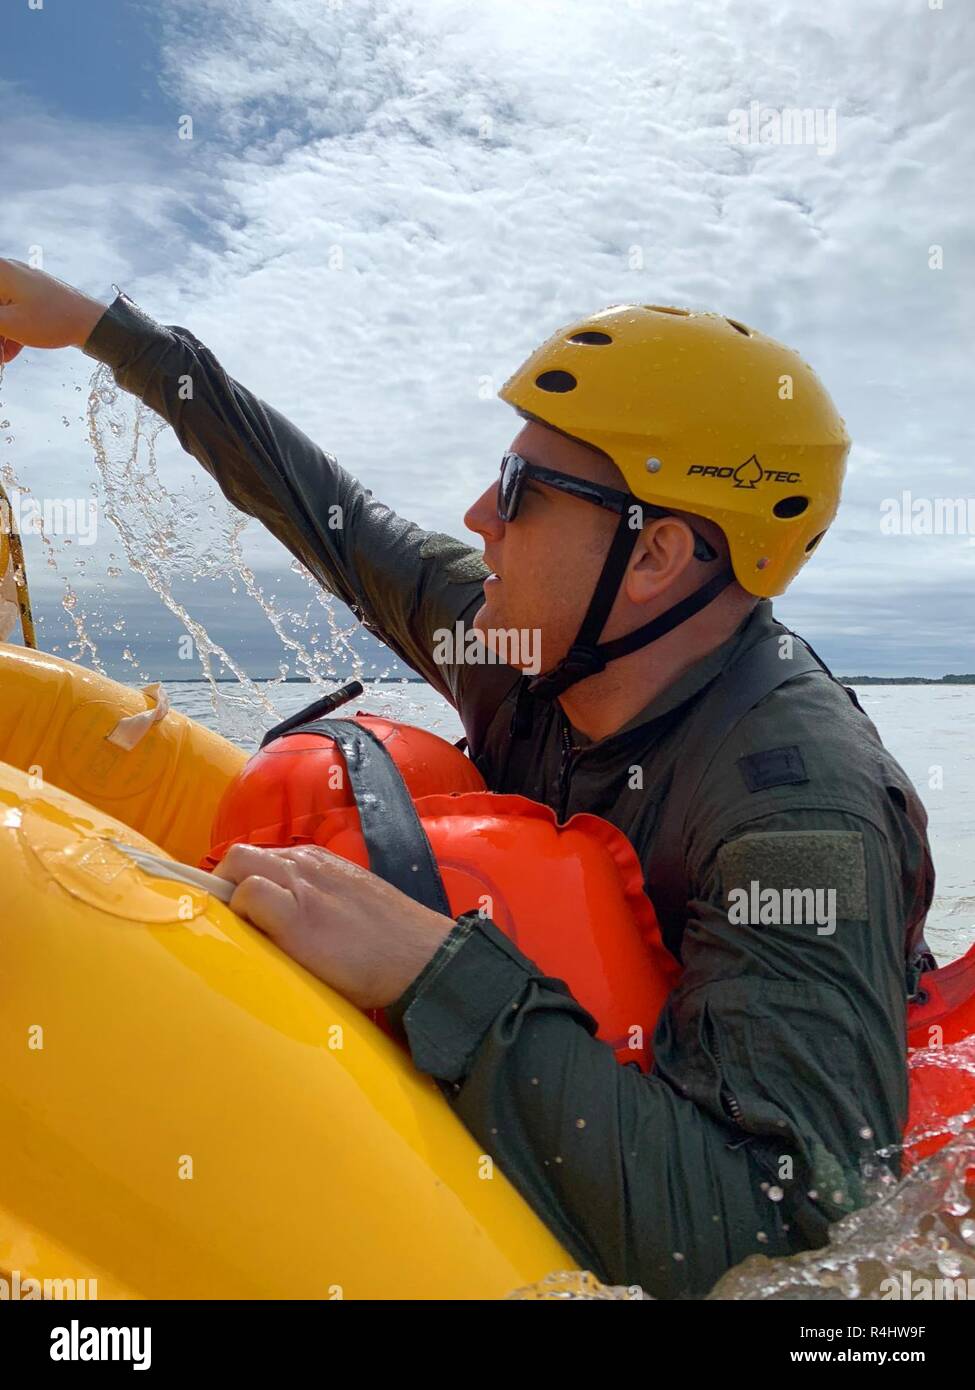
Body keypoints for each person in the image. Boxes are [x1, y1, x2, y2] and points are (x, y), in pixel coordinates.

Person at [0, 259, 935, 1298]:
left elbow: (788, 1239)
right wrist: (98, 328)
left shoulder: (801, 815)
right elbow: (327, 513)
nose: (480, 512)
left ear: (659, 551)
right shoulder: (529, 638)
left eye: (525, 489)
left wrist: (438, 970)